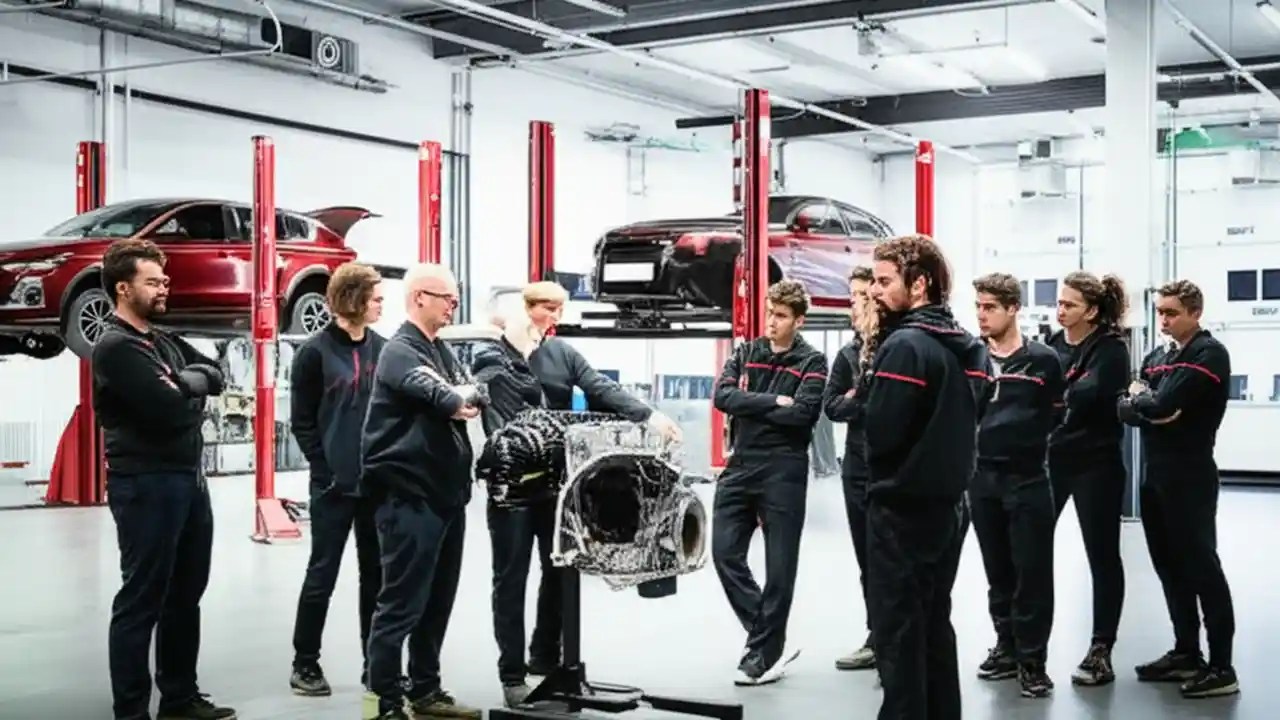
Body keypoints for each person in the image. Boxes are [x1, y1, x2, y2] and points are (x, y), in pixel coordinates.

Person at [485, 280, 681, 703]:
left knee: (560, 570)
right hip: (512, 491)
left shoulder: (562, 353)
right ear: (525, 308)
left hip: (554, 484)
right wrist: (518, 351)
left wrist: (647, 415)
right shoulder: (495, 354)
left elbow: (599, 387)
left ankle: (545, 656)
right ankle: (512, 675)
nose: (554, 318)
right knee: (511, 581)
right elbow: (505, 412)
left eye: (558, 310)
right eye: (546, 309)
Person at [92, 238, 234, 720]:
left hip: (189, 482)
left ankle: (179, 697)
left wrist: (184, 383)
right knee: (142, 598)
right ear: (123, 287)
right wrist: (187, 390)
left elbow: (215, 373)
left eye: (164, 280)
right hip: (146, 484)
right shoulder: (115, 347)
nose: (163, 288)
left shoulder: (162, 340)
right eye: (153, 281)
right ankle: (132, 711)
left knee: (185, 595)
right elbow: (170, 409)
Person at [861, 234, 991, 720]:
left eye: (884, 281)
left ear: (919, 285)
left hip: (900, 510)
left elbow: (883, 430)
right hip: (951, 508)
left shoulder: (905, 347)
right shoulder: (971, 349)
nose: (875, 291)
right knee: (935, 622)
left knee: (898, 632)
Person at [361, 264, 483, 720]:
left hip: (445, 497)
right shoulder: (400, 351)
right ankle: (383, 703)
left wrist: (461, 395)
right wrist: (455, 397)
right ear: (418, 298)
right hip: (408, 498)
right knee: (400, 606)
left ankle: (426, 690)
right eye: (447, 298)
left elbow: (476, 391)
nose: (454, 305)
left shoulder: (440, 351)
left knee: (437, 602)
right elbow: (450, 398)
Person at [1118, 280, 1238, 698]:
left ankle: (1222, 666)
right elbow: (1130, 404)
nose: (1163, 320)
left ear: (1194, 312)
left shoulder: (1209, 354)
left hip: (1190, 478)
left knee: (1202, 567)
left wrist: (1149, 402)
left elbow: (1161, 403)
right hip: (1156, 479)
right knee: (1169, 567)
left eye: (1171, 312)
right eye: (1160, 312)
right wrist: (1148, 403)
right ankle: (1187, 651)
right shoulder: (1158, 355)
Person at [711, 279, 828, 687]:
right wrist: (774, 402)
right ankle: (769, 638)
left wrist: (756, 404)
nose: (772, 322)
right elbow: (723, 397)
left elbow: (804, 414)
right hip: (740, 465)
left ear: (799, 320)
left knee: (780, 567)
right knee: (724, 553)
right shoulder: (746, 352)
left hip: (784, 469)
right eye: (769, 313)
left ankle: (763, 651)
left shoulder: (813, 362)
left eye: (780, 316)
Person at [287, 263, 386, 697]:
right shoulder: (314, 352)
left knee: (377, 576)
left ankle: (375, 663)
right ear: (354, 298)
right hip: (332, 486)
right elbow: (302, 421)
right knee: (321, 575)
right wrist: (322, 469)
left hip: (377, 484)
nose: (382, 303)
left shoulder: (385, 349)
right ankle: (305, 663)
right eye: (376, 296)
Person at [969, 273, 1062, 698]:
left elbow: (1057, 414)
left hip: (1027, 480)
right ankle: (1006, 645)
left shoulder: (1043, 360)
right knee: (998, 571)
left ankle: (1033, 661)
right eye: (979, 306)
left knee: (1033, 573)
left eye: (990, 307)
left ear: (1012, 309)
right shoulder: (970, 357)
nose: (982, 315)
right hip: (981, 479)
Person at [1047, 271, 1130, 686]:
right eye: (1060, 303)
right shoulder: (1053, 346)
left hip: (1096, 465)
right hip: (1054, 459)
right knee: (1029, 549)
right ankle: (1021, 645)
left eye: (1070, 305)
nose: (1060, 311)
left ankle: (1101, 650)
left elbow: (1084, 395)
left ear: (1092, 311)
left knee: (1102, 556)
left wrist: (1059, 394)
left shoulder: (1112, 349)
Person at [824, 265, 878, 672]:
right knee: (867, 560)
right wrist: (862, 396)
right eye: (853, 296)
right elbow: (833, 406)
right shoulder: (846, 355)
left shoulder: (897, 346)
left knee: (893, 557)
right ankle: (877, 635)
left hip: (893, 467)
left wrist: (856, 399)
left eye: (865, 295)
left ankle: (899, 639)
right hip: (856, 467)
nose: (856, 305)